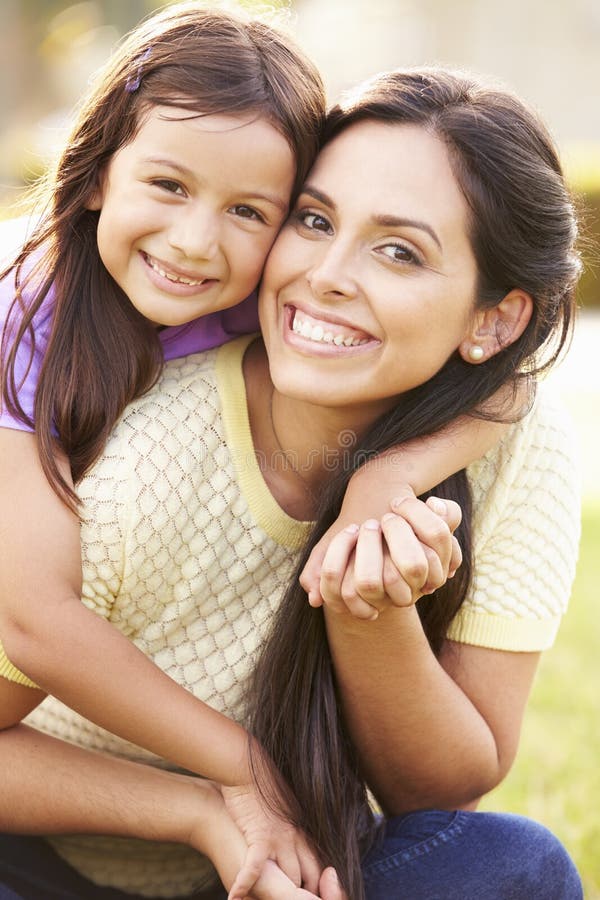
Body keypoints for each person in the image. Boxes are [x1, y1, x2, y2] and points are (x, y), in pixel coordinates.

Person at [0, 65, 582, 899]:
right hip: (35, 861)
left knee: (513, 867)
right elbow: (32, 637)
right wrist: (202, 808)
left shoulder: (514, 447)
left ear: (495, 319)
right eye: (314, 220)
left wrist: (368, 599)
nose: (327, 274)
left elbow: (442, 794)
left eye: (398, 250)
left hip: (289, 861)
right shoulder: (142, 458)